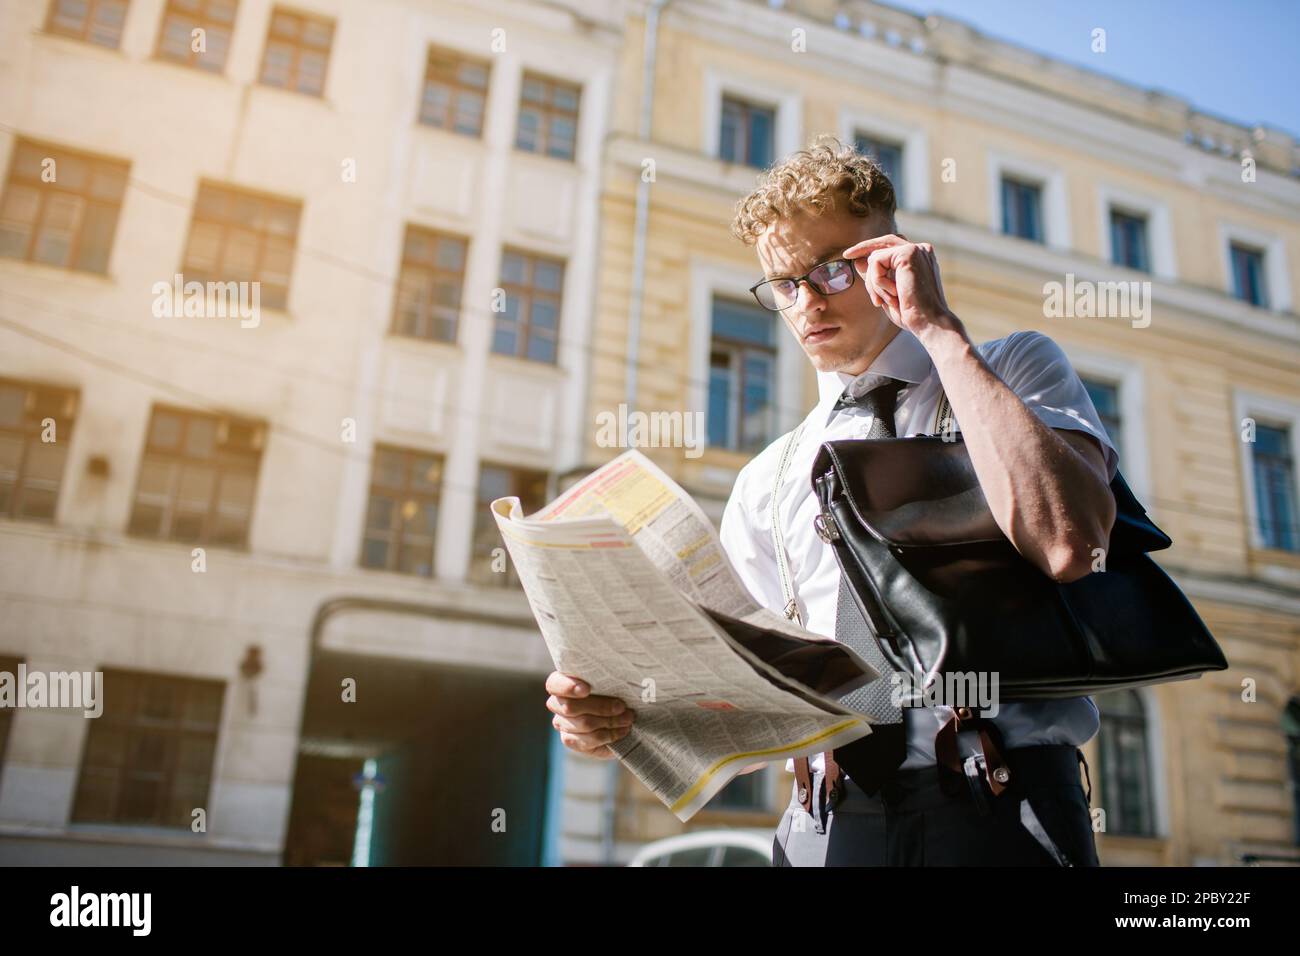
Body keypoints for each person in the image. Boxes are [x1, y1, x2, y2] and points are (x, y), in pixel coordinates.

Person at [544, 135, 1116, 865]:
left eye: (831, 271)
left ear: (893, 256)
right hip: (823, 821)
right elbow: (750, 701)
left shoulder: (1007, 368)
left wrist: (938, 330)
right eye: (784, 284)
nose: (806, 302)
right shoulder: (768, 478)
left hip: (1001, 806)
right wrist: (620, 718)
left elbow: (1071, 542)